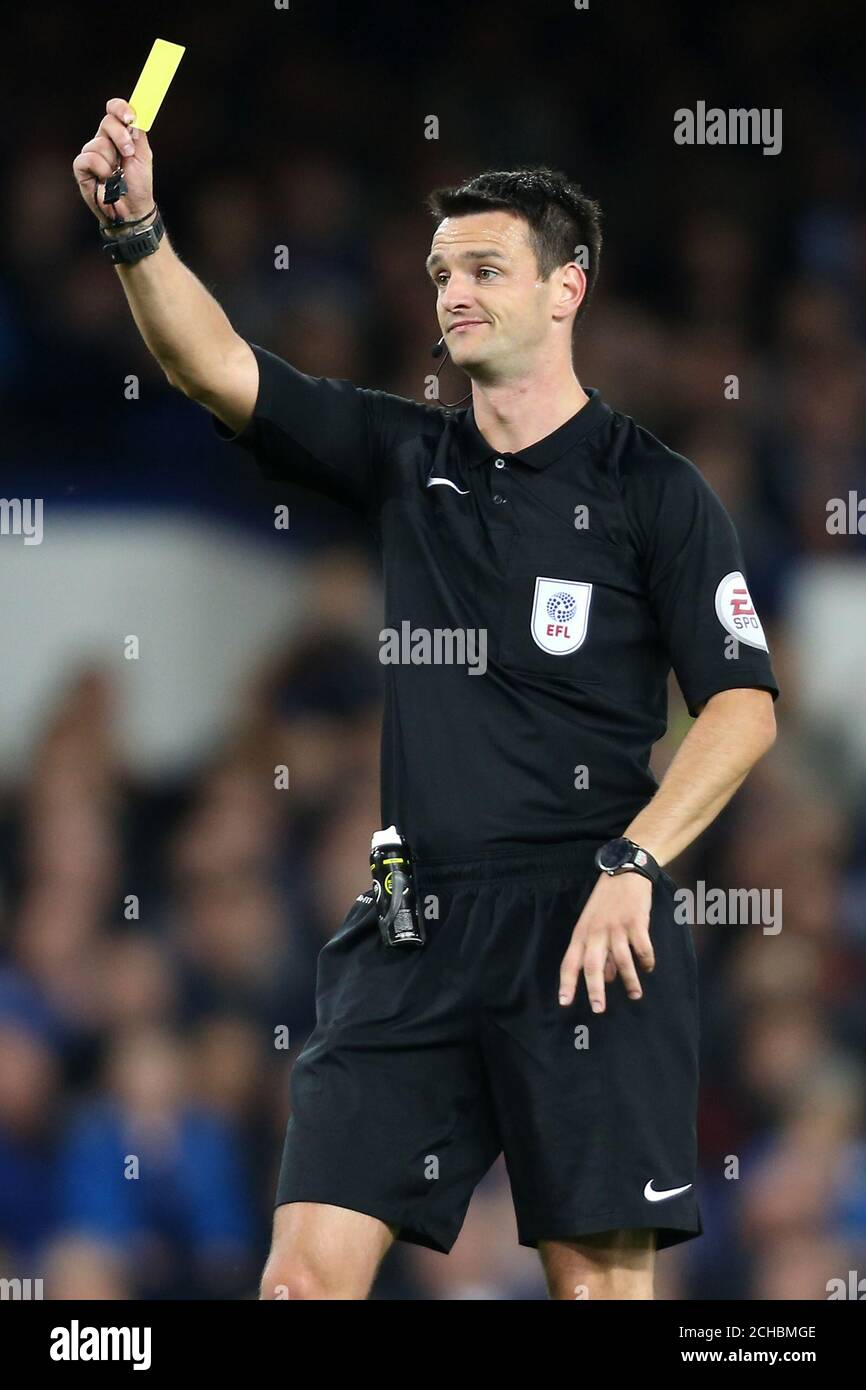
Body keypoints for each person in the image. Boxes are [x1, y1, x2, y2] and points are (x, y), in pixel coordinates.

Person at [73, 101, 779, 1300]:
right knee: (298, 1282)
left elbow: (741, 706)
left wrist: (635, 865)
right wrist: (138, 232)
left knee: (597, 1291)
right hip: (411, 924)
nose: (452, 291)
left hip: (586, 922)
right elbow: (216, 367)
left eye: (486, 268)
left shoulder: (652, 492)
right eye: (441, 270)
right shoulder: (406, 455)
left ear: (568, 288)